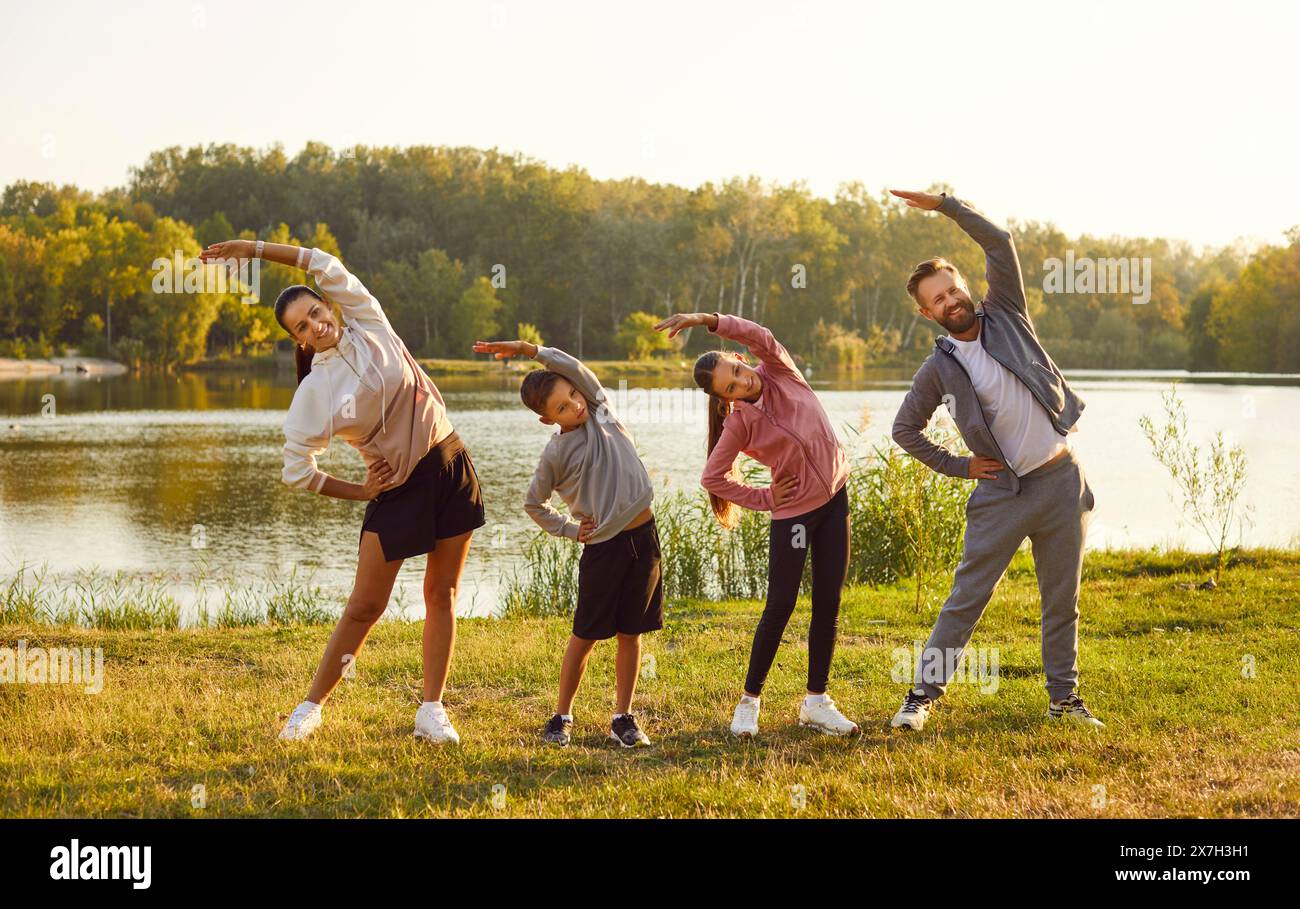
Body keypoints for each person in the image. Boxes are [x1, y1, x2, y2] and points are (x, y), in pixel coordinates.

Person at [199, 238, 485, 745]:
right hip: (396, 491)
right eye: (301, 327)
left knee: (441, 594)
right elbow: (296, 469)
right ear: (299, 340)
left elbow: (321, 262)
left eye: (314, 312)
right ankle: (310, 707)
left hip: (449, 463)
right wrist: (360, 490)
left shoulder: (369, 322)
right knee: (364, 606)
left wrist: (255, 249)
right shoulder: (315, 391)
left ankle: (432, 709)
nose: (315, 326)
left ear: (328, 305)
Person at [887, 188, 1102, 731]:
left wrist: (946, 205)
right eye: (937, 300)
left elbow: (1001, 242)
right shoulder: (937, 368)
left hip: (1060, 482)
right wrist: (961, 466)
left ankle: (1064, 700)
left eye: (952, 289)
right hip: (1001, 495)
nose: (949, 302)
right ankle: (920, 696)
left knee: (1062, 601)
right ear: (926, 312)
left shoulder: (1007, 312)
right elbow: (904, 430)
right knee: (965, 600)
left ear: (964, 287)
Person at [655, 312, 859, 739]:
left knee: (828, 604)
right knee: (780, 606)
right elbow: (713, 477)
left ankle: (816, 702)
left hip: (835, 499)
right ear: (725, 399)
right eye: (729, 387)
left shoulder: (780, 370)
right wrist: (766, 499)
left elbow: (761, 335)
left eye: (736, 370)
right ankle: (749, 702)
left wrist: (708, 320)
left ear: (739, 359)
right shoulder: (740, 423)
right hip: (796, 517)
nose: (740, 382)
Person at [473, 337, 659, 748]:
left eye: (573, 395)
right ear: (546, 419)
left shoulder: (601, 412)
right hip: (604, 549)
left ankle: (623, 717)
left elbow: (576, 367)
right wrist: (572, 530)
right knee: (586, 635)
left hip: (644, 539)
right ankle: (561, 716)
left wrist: (529, 349)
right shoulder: (555, 454)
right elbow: (533, 504)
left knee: (632, 632)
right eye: (562, 406)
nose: (574, 404)